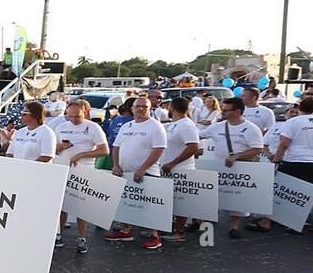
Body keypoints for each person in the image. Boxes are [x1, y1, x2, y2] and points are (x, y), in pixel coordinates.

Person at [106, 96, 167, 250]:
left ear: (150, 109)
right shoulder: (127, 126)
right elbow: (116, 146)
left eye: (144, 107)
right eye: (137, 106)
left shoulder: (155, 126)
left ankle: (155, 236)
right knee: (127, 203)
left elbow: (158, 149)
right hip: (125, 172)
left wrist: (143, 169)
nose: (140, 109)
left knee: (149, 206)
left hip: (146, 173)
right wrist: (116, 165)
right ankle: (126, 231)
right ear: (132, 108)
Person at [203, 97, 268, 239]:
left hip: (241, 168)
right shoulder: (218, 126)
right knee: (213, 193)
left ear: (238, 111)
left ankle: (234, 226)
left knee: (238, 196)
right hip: (219, 166)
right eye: (223, 110)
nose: (223, 113)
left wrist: (236, 156)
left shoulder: (251, 128)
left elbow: (257, 148)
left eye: (226, 110)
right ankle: (202, 220)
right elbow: (200, 136)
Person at [271, 96, 313, 233]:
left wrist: (277, 159)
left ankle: (294, 222)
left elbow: (284, 143)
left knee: (293, 192)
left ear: (299, 108)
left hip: (297, 161)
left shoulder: (292, 122)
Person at [53, 100, 108, 254]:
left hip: (84, 170)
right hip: (64, 168)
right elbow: (54, 148)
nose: (73, 120)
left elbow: (104, 150)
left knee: (81, 207)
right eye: (70, 117)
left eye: (77, 116)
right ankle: (58, 235)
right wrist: (61, 147)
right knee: (62, 204)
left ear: (85, 112)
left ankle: (82, 238)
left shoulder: (93, 127)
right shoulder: (61, 127)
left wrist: (82, 154)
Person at [160, 97, 202, 243]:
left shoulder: (186, 125)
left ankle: (180, 231)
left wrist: (172, 163)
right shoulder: (174, 124)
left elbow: (193, 147)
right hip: (168, 168)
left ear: (171, 108)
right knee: (171, 200)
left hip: (181, 168)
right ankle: (168, 227)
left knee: (181, 201)